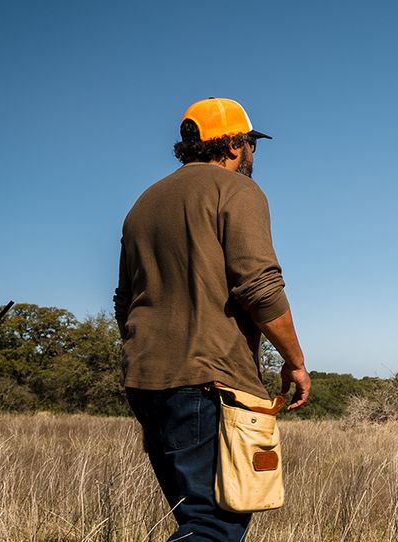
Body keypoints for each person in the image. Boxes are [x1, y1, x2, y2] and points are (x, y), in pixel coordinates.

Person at [114, 97, 311, 540]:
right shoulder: (237, 191)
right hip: (209, 383)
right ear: (236, 144)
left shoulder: (142, 204)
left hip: (145, 382)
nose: (253, 154)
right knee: (214, 526)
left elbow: (125, 302)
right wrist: (295, 362)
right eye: (252, 144)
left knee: (194, 520)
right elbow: (260, 287)